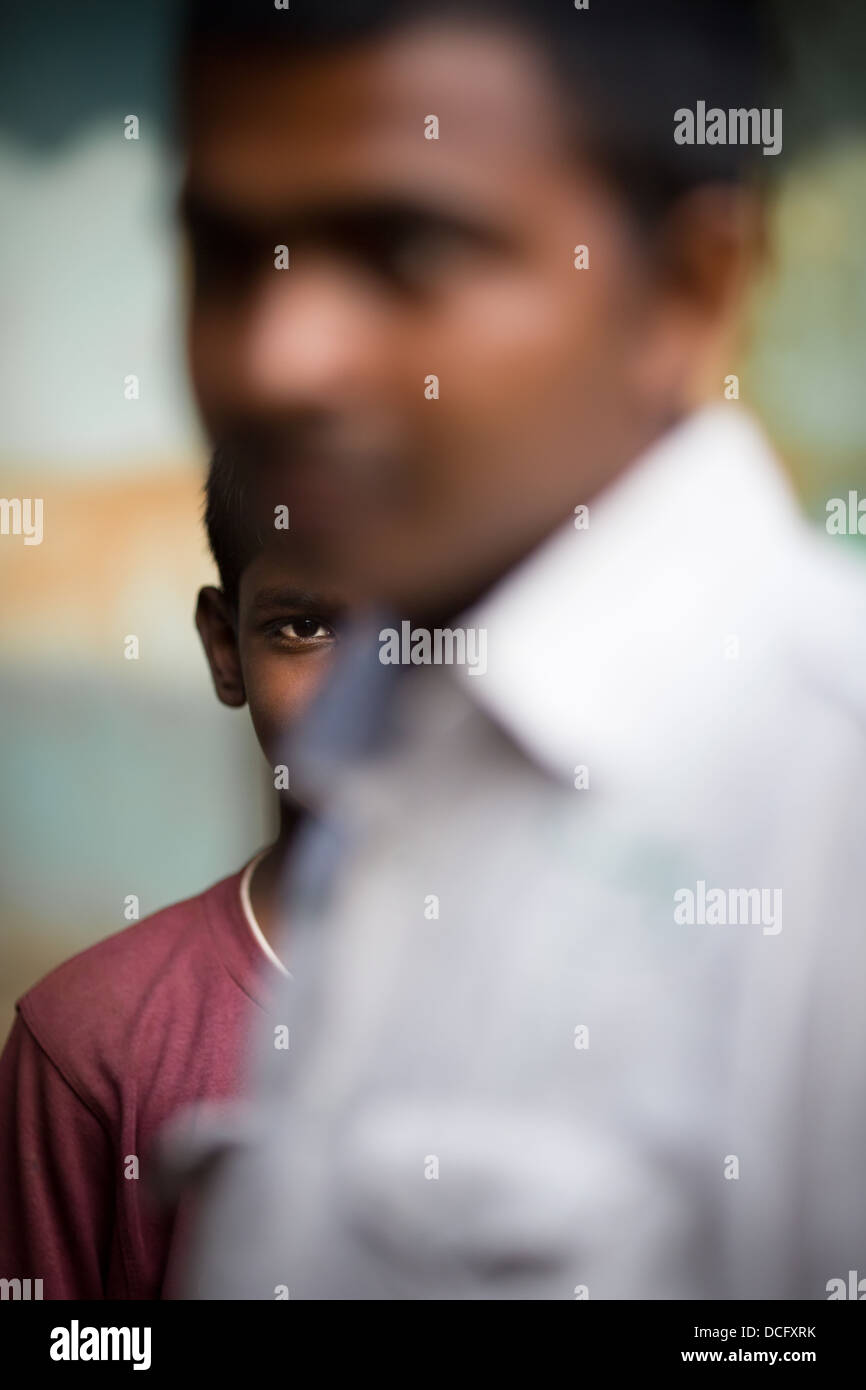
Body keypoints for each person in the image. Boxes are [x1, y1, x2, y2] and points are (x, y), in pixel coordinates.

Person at [172, 1, 866, 1299]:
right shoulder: (379, 730)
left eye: (405, 249)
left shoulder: (829, 793)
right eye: (224, 256)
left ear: (687, 289)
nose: (278, 359)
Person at [0, 446, 346, 1298]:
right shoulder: (89, 1046)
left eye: (427, 626)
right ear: (225, 651)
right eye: (304, 627)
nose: (367, 690)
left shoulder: (626, 1003)